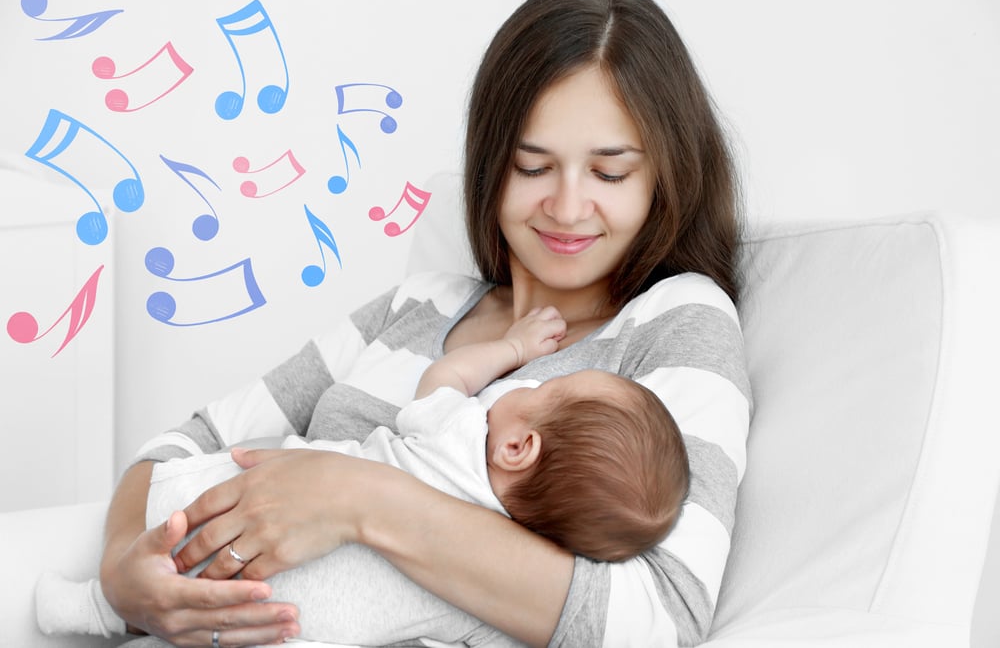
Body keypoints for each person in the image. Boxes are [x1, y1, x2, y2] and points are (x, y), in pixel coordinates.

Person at [99, 0, 751, 647]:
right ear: (493, 164)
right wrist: (124, 575)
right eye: (533, 165)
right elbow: (188, 442)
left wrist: (356, 498)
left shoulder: (680, 317)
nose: (567, 204)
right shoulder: (419, 303)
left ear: (662, 177)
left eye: (609, 174)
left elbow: (659, 617)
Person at [38, 306, 689, 645]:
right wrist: (123, 569)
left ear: (519, 444)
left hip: (210, 514)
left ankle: (88, 605)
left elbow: (445, 377)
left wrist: (512, 349)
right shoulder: (510, 568)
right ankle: (110, 597)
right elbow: (198, 428)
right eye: (534, 164)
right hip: (298, 620)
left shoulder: (463, 427)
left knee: (186, 509)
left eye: (551, 385)